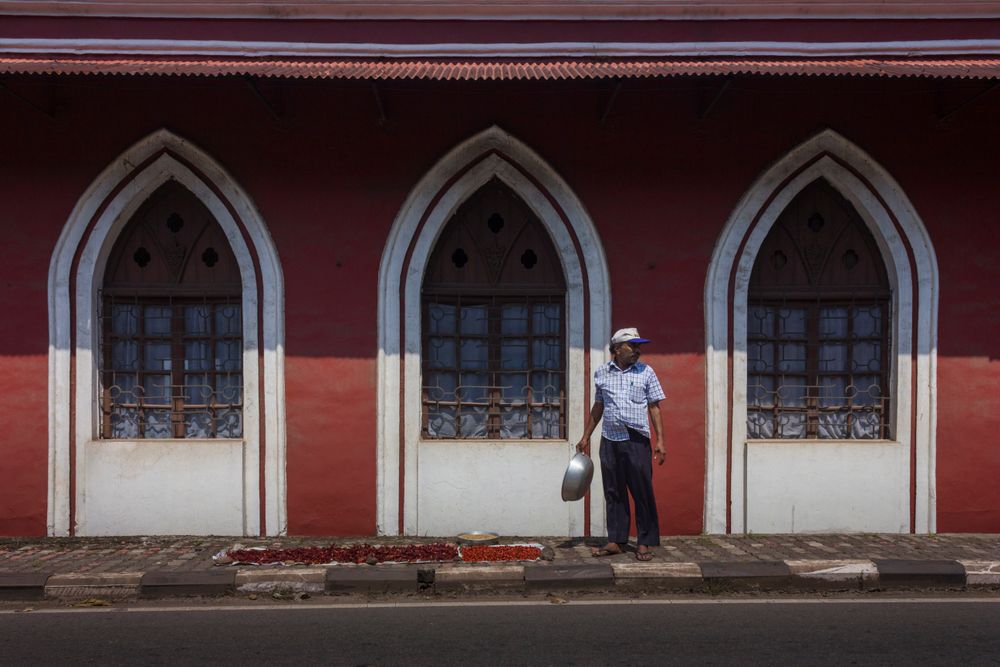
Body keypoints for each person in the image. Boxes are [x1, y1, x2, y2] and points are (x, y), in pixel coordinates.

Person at [576, 327, 666, 561]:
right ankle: (616, 540)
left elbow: (654, 407)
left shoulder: (646, 372)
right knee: (613, 492)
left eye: (639, 346)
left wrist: (660, 441)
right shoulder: (602, 373)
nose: (638, 351)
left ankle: (645, 541)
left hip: (637, 441)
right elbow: (598, 406)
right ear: (617, 349)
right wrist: (586, 436)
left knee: (642, 491)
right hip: (610, 441)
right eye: (633, 346)